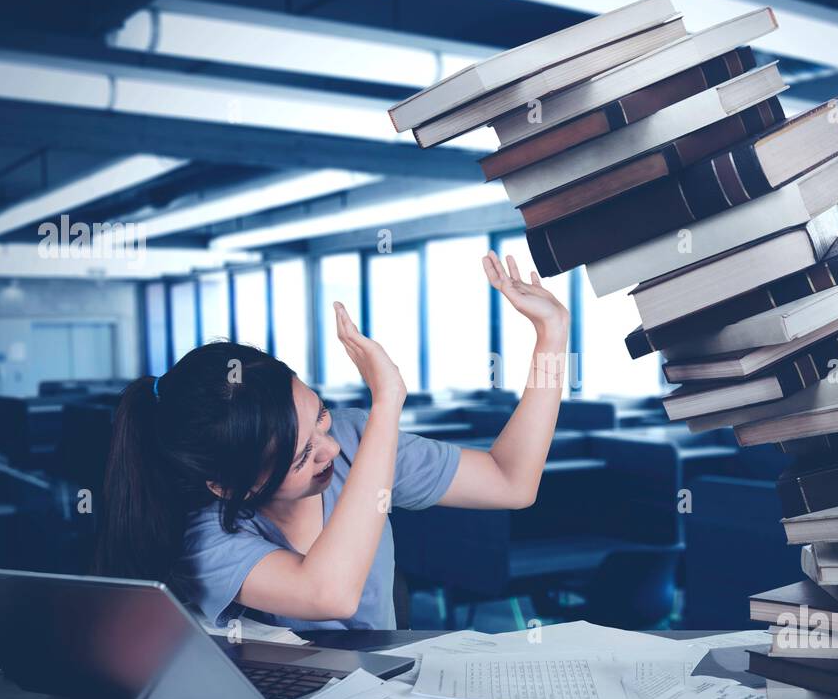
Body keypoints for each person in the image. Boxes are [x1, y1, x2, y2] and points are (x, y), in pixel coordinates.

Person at [93, 251, 569, 630]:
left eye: (320, 415)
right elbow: (329, 593)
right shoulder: (207, 536)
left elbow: (511, 482)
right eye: (303, 457)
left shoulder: (355, 435)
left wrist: (551, 337)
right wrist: (387, 404)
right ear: (228, 486)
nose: (333, 449)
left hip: (385, 698)